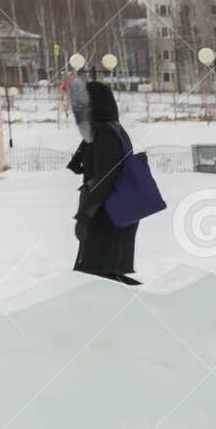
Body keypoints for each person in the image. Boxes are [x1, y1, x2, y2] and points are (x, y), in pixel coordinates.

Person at [65, 80, 140, 285]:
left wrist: (85, 215)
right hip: (113, 213)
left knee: (96, 277)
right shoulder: (109, 129)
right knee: (103, 276)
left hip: (107, 216)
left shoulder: (105, 133)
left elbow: (105, 178)